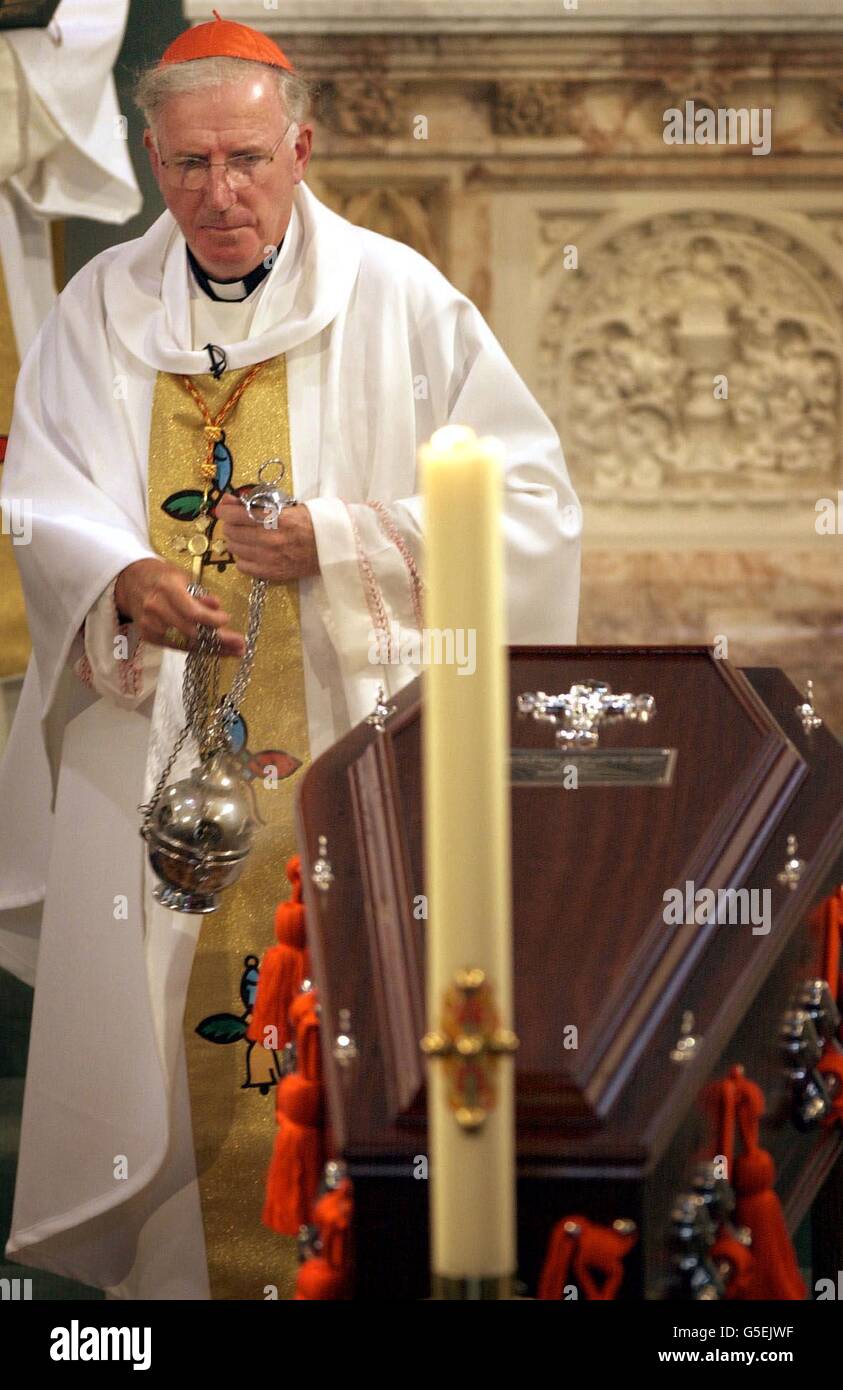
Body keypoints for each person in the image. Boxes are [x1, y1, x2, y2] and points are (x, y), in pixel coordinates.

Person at [0, 13, 581, 1299]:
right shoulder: (101, 307)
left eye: (249, 160)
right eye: (191, 165)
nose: (221, 194)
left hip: (351, 755)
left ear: (301, 146)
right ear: (154, 160)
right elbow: (40, 495)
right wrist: (117, 577)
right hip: (154, 759)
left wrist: (340, 537)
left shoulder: (401, 299)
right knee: (166, 1057)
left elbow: (534, 507)